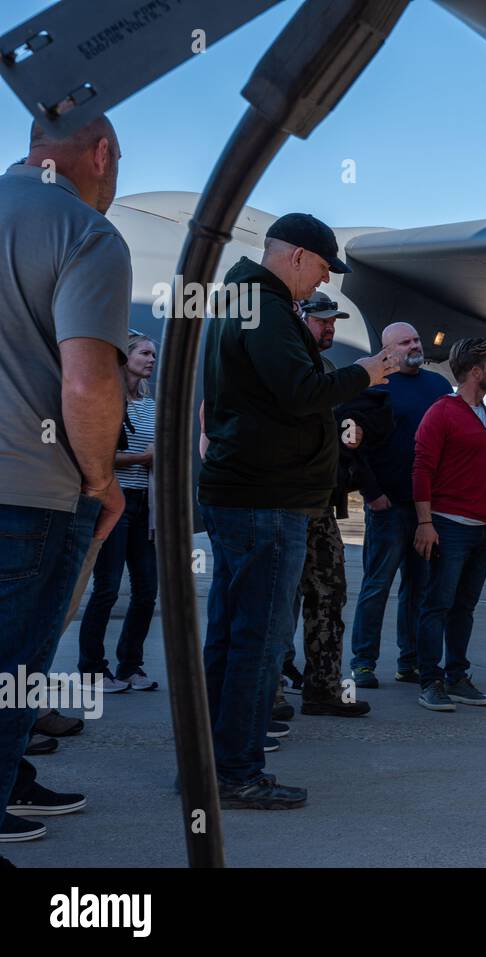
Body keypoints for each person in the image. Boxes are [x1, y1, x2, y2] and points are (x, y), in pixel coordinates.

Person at [198, 213, 398, 809]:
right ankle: (235, 771)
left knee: (233, 635)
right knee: (258, 640)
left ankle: (212, 763)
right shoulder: (265, 306)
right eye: (320, 269)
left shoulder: (243, 302)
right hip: (267, 497)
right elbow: (301, 392)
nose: (321, 284)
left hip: (249, 494)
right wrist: (366, 372)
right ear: (295, 257)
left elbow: (283, 388)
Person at [0, 116, 128, 844]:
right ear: (101, 153)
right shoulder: (82, 230)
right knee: (13, 669)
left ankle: (13, 779)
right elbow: (87, 382)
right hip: (30, 493)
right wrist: (101, 476)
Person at [348, 322, 453, 688]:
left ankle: (409, 661)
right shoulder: (375, 383)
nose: (414, 345)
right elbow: (352, 447)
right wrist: (372, 493)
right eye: (405, 341)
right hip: (387, 506)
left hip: (427, 508)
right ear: (386, 351)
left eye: (417, 338)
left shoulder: (439, 387)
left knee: (420, 587)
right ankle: (363, 662)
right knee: (377, 585)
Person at [289, 292, 374, 718]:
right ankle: (263, 693)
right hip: (283, 500)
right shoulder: (284, 361)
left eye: (333, 321)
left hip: (320, 503)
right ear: (299, 317)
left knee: (329, 593)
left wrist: (348, 436)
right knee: (277, 599)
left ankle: (321, 688)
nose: (330, 328)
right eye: (322, 320)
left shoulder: (325, 370)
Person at [411, 338, 486, 711]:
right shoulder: (441, 412)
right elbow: (421, 468)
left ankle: (457, 676)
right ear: (476, 372)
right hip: (448, 526)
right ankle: (430, 681)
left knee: (465, 607)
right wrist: (425, 521)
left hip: (484, 529)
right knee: (437, 605)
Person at [77, 332, 160, 694]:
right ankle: (92, 669)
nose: (151, 359)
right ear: (125, 356)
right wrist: (144, 458)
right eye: (144, 352)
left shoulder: (153, 406)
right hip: (114, 500)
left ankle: (131, 666)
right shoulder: (108, 402)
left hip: (146, 503)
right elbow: (97, 455)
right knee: (107, 588)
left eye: (154, 354)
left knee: (146, 590)